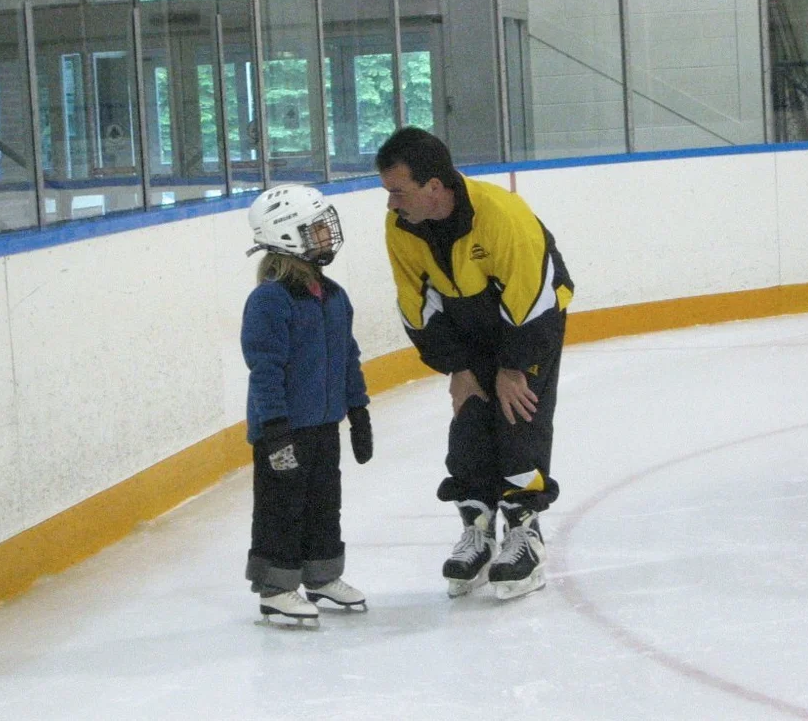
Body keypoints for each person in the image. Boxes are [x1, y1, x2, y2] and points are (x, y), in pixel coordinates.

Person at [375, 127, 573, 600]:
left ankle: (524, 530)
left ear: (434, 188)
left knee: (518, 417)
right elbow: (416, 305)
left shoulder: (501, 216)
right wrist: (457, 369)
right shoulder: (402, 226)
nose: (390, 205)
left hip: (528, 324)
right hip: (465, 327)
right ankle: (479, 529)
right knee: (469, 423)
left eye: (398, 192)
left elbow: (533, 299)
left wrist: (513, 367)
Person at [241, 183, 374, 626]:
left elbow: (347, 358)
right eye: (316, 229)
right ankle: (277, 586)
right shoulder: (269, 301)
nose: (325, 236)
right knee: (282, 505)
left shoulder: (333, 295)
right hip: (285, 428)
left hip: (322, 424)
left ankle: (320, 574)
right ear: (288, 236)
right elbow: (265, 370)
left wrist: (358, 413)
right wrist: (275, 431)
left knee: (323, 502)